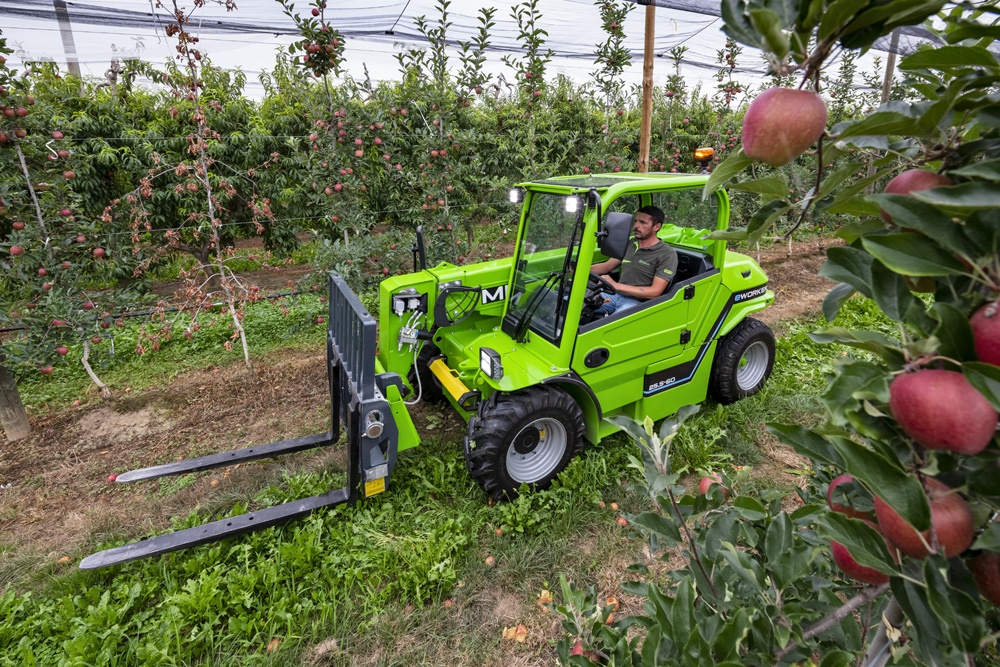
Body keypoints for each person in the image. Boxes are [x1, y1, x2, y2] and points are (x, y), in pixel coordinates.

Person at [590, 205, 677, 316]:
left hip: (638, 302)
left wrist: (615, 285)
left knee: (612, 326)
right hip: (615, 295)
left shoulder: (667, 254)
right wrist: (581, 269)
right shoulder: (631, 243)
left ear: (656, 227)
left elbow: (655, 292)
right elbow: (607, 266)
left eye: (642, 222)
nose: (636, 226)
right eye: (635, 221)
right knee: (572, 303)